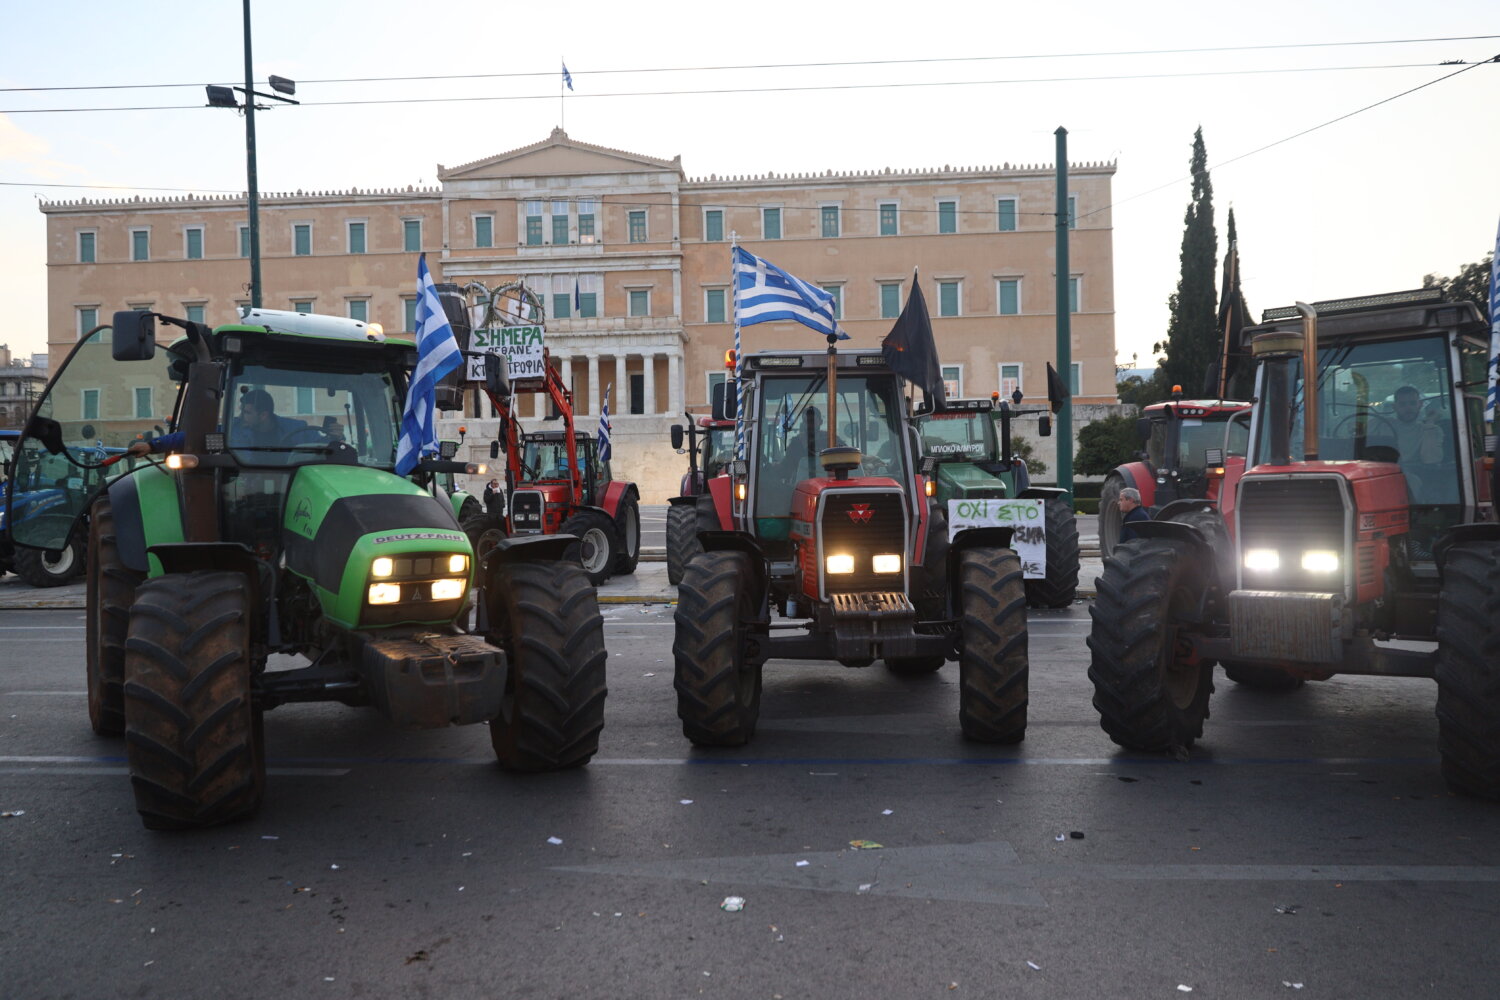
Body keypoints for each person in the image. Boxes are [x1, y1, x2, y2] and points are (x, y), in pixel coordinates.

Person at [128, 389, 308, 456]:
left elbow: (319, 444)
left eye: (246, 412)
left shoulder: (296, 430)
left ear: (263, 415)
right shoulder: (233, 431)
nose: (241, 416)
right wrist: (152, 445)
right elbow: (193, 437)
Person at [1387, 385, 1442, 465]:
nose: (1408, 408)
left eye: (1412, 403)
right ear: (1394, 407)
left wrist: (1429, 423)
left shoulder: (1430, 429)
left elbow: (1431, 460)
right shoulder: (1382, 425)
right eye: (1402, 404)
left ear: (1420, 405)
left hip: (1416, 471)